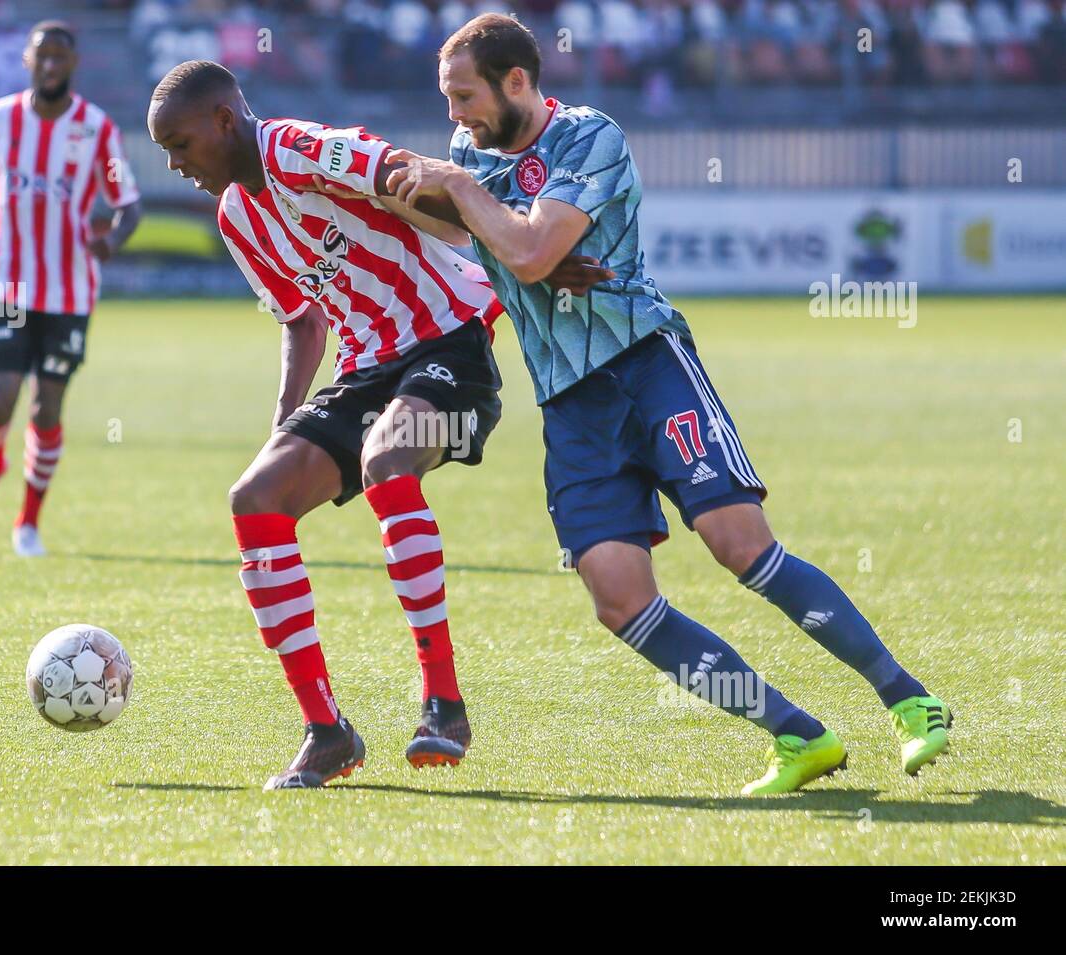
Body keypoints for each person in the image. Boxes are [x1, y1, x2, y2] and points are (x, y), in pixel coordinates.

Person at [384, 13, 952, 794]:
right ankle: (797, 735)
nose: (455, 116)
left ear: (518, 81)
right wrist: (388, 189)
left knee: (738, 541)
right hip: (569, 402)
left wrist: (470, 202)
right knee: (618, 596)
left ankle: (910, 700)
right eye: (447, 100)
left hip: (647, 366)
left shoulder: (590, 138)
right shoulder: (467, 154)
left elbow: (524, 248)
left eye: (465, 96)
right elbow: (478, 234)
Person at [147, 59, 518, 790]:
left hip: (450, 340)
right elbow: (301, 316)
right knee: (255, 498)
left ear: (225, 121)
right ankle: (327, 732)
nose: (176, 165)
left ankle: (444, 702)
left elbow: (409, 174)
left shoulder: (297, 148)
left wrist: (502, 235)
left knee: (388, 458)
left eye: (181, 145)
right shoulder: (235, 215)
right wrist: (285, 422)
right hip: (367, 368)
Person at [0, 21, 141, 557]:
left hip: (71, 292)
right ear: (27, 61)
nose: (51, 65)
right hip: (9, 283)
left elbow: (129, 203)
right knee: (0, 400)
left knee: (46, 409)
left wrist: (113, 240)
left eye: (61, 57)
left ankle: (27, 522)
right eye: (42, 56)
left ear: (73, 64)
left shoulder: (96, 128)